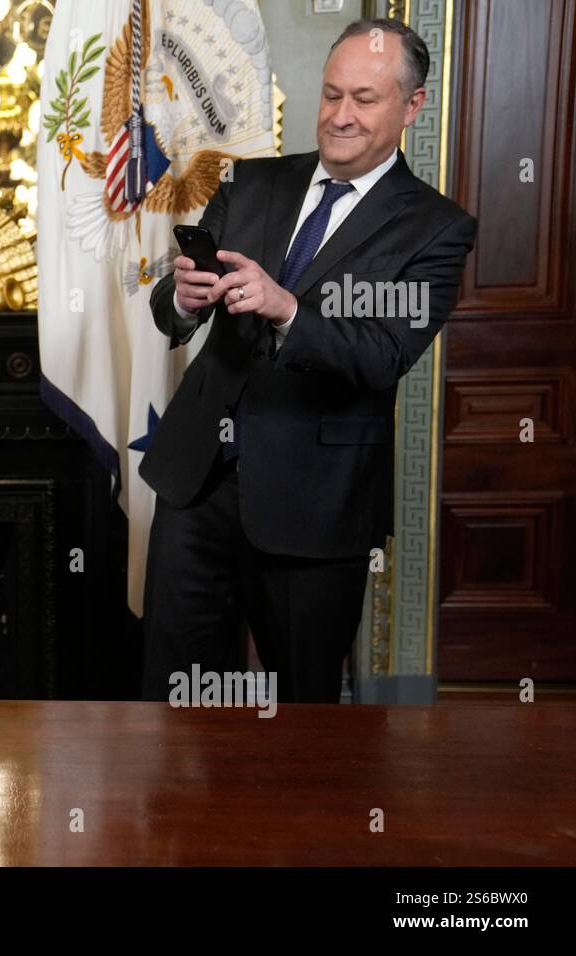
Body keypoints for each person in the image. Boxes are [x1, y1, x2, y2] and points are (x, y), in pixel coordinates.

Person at [139, 18, 476, 703]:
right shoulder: (254, 182)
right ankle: (186, 815)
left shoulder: (437, 228)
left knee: (304, 717)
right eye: (330, 96)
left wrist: (286, 308)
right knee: (175, 699)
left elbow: (382, 356)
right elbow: (170, 307)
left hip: (314, 507)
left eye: (363, 98)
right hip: (197, 481)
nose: (340, 116)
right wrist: (186, 296)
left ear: (411, 107)